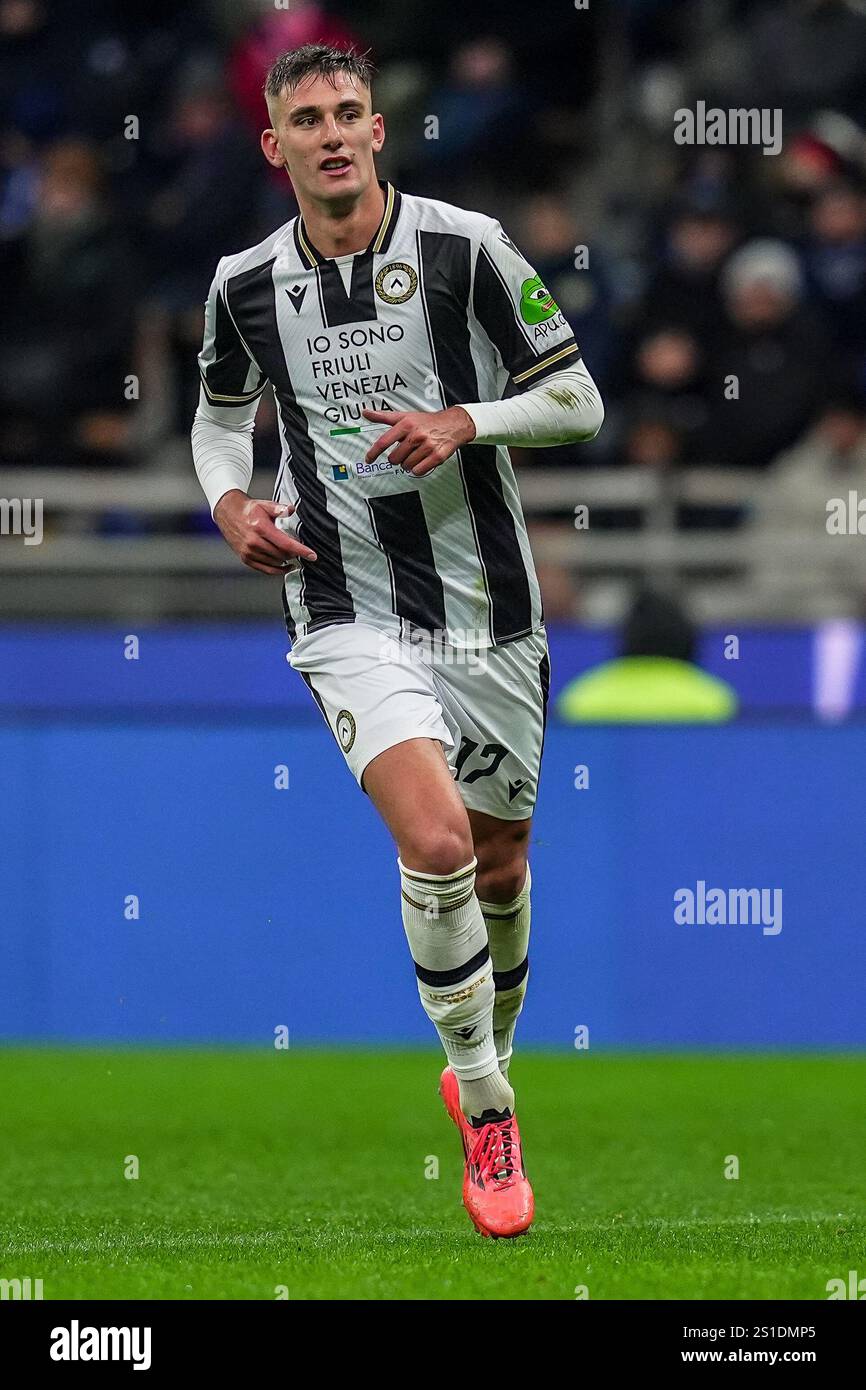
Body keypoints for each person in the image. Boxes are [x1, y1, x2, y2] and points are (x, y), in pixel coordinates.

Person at [191, 43, 604, 1239]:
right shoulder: (244, 284)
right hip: (343, 603)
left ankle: (485, 1055)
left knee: (500, 861)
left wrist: (466, 420)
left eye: (348, 114)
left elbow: (577, 397)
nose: (330, 133)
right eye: (305, 118)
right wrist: (229, 506)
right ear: (274, 147)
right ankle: (487, 1107)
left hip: (489, 611)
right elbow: (221, 425)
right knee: (432, 841)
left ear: (378, 132)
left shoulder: (463, 248)